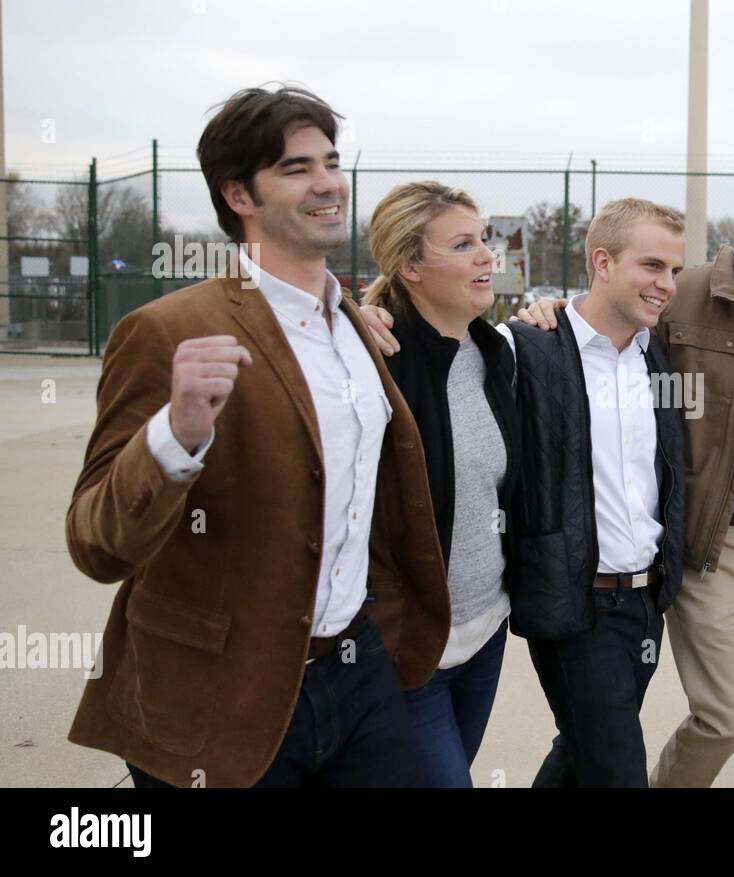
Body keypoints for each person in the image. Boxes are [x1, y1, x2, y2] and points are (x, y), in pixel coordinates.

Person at [64, 85, 448, 788]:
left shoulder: (356, 325)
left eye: (331, 161)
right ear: (239, 195)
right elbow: (95, 542)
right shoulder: (168, 331)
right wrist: (174, 436)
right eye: (296, 168)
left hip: (358, 670)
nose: (328, 182)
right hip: (220, 695)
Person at [513, 162, 734, 788]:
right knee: (728, 717)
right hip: (706, 539)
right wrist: (548, 310)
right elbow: (603, 318)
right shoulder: (683, 294)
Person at [367, 198, 688, 786]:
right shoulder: (522, 347)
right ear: (603, 262)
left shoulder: (656, 356)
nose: (665, 284)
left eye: (674, 271)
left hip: (644, 601)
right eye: (652, 266)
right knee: (617, 767)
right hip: (572, 600)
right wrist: (361, 316)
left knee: (582, 748)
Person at [360, 182, 520, 787]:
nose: (487, 256)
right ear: (409, 265)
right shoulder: (375, 359)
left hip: (484, 635)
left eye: (485, 240)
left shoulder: (492, 353)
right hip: (408, 648)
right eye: (463, 244)